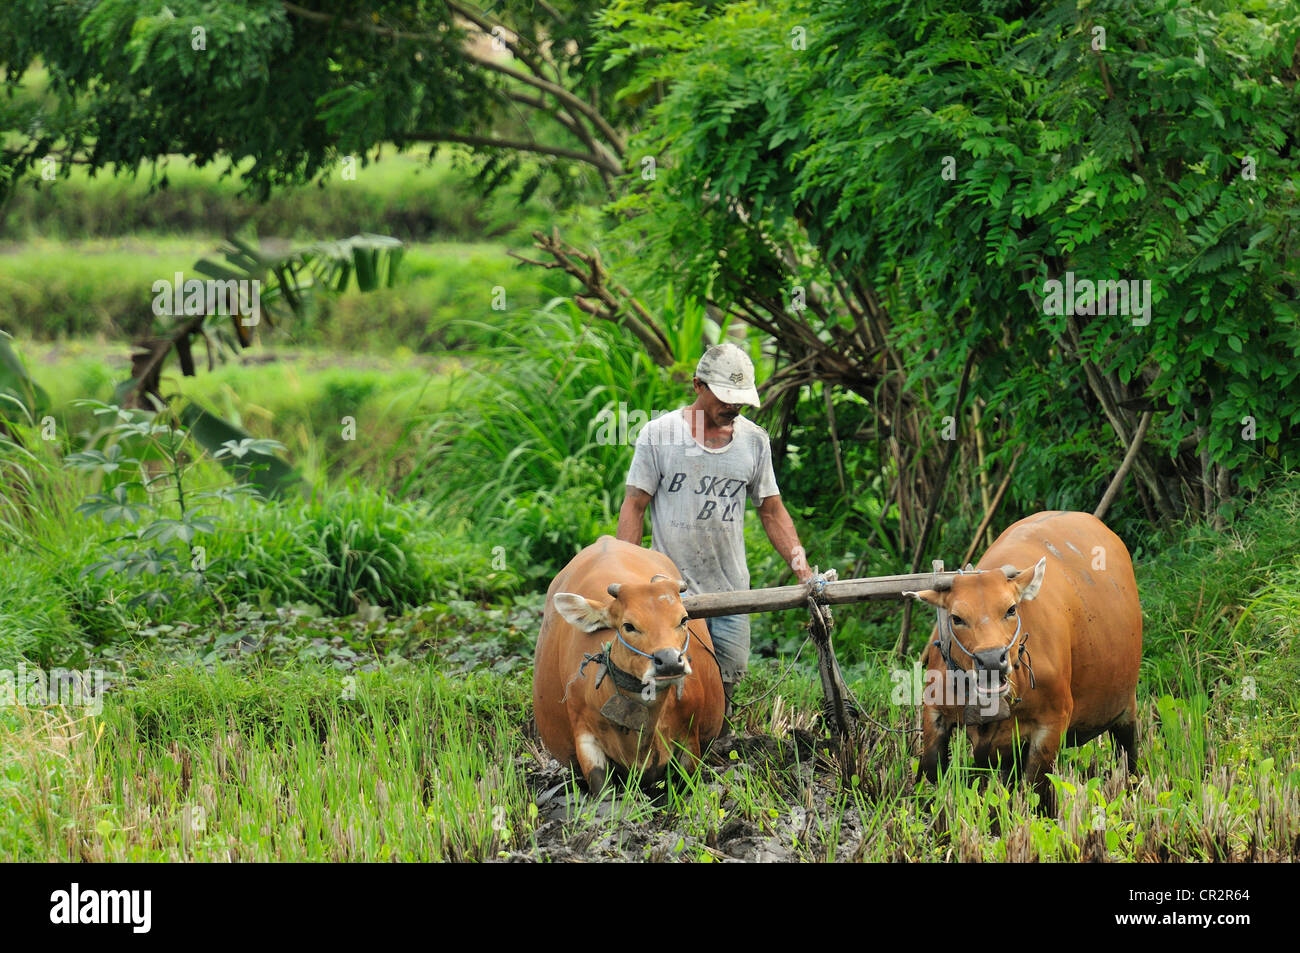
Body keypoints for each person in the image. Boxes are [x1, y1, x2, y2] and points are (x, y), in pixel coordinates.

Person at [616, 341, 816, 721]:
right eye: (724, 397)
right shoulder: (660, 436)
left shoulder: (753, 441)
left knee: (723, 693)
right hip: (669, 595)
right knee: (665, 689)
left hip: (731, 593)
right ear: (698, 386)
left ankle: (714, 764)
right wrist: (626, 577)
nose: (733, 406)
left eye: (739, 399)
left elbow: (771, 510)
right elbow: (635, 506)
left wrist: (804, 572)